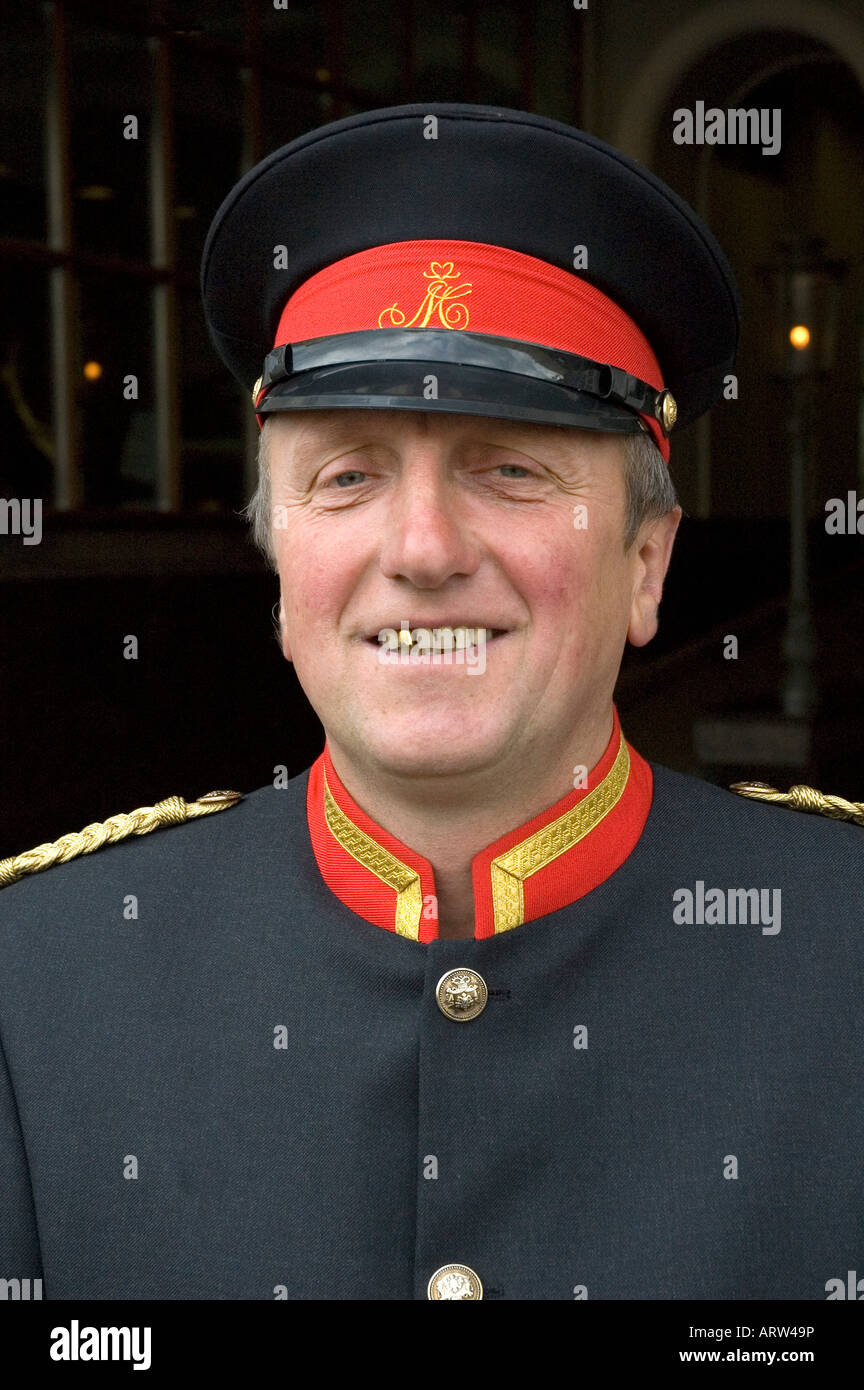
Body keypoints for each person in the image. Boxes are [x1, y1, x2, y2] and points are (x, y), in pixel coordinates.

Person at [1, 103, 862, 1302]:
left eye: (509, 468)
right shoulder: (39, 984)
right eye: (347, 475)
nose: (421, 547)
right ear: (280, 554)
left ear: (647, 561)